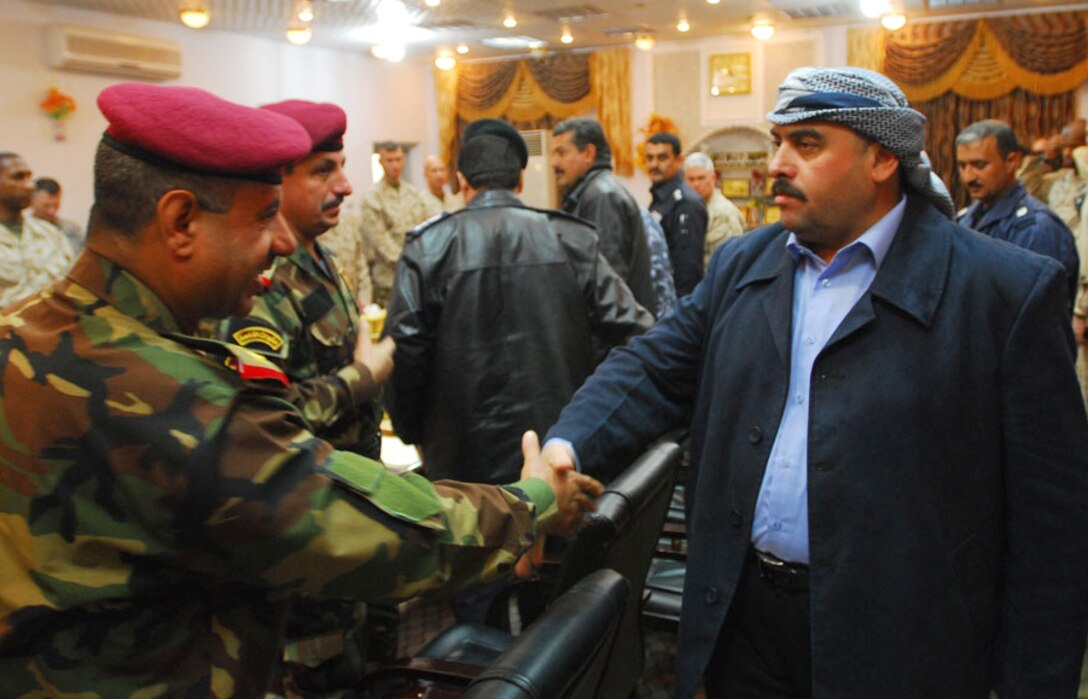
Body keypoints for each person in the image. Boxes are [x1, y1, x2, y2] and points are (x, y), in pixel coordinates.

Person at [0, 83, 603, 697]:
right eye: (263, 217)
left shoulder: (22, 332)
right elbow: (343, 521)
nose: (283, 241)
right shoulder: (163, 392)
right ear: (180, 221)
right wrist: (532, 505)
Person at [542, 67, 1088, 698]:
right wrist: (568, 445)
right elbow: (653, 366)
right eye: (778, 141)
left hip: (902, 643)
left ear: (882, 158)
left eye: (807, 145)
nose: (777, 164)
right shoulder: (746, 262)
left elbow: (1054, 537)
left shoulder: (1002, 292)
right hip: (744, 625)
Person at [386, 119, 650, 626]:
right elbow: (637, 332)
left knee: (474, 590)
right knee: (563, 601)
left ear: (462, 182)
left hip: (463, 458)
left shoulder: (428, 247)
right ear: (522, 180)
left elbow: (407, 356)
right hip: (559, 449)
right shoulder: (569, 239)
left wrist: (416, 434)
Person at [217, 99, 383, 461]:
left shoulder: (324, 257)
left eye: (342, 168)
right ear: (275, 180)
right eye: (323, 172)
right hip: (311, 490)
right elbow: (264, 421)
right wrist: (363, 376)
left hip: (356, 475)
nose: (345, 186)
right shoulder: (259, 280)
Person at [956, 119, 1079, 309]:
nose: (968, 176)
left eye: (979, 165)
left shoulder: (1036, 228)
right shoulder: (965, 219)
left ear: (1012, 161)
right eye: (962, 166)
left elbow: (1034, 313)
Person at [552, 117, 657, 315]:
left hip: (615, 336)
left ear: (589, 154)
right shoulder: (592, 192)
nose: (554, 163)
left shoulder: (602, 196)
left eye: (561, 152)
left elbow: (609, 282)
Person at [360, 142, 432, 307]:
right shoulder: (372, 197)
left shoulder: (413, 193)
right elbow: (380, 241)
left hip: (416, 278)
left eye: (398, 159)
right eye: (389, 160)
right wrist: (409, 261)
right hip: (389, 282)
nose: (395, 165)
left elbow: (424, 229)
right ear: (381, 162)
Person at [0, 153, 74, 307]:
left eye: (29, 177)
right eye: (18, 177)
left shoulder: (51, 234)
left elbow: (70, 286)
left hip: (52, 327)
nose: (30, 186)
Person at [645, 132, 708, 297]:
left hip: (676, 303)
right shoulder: (661, 198)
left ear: (679, 160)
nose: (654, 164)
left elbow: (688, 271)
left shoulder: (686, 203)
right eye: (650, 158)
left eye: (662, 158)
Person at [684, 151, 746, 265]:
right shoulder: (689, 208)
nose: (696, 184)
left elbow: (727, 261)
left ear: (713, 177)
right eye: (691, 179)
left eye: (701, 178)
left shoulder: (723, 213)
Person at [29, 177, 84, 253]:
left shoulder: (71, 231)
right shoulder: (23, 231)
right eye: (46, 206)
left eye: (56, 205)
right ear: (31, 202)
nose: (52, 211)